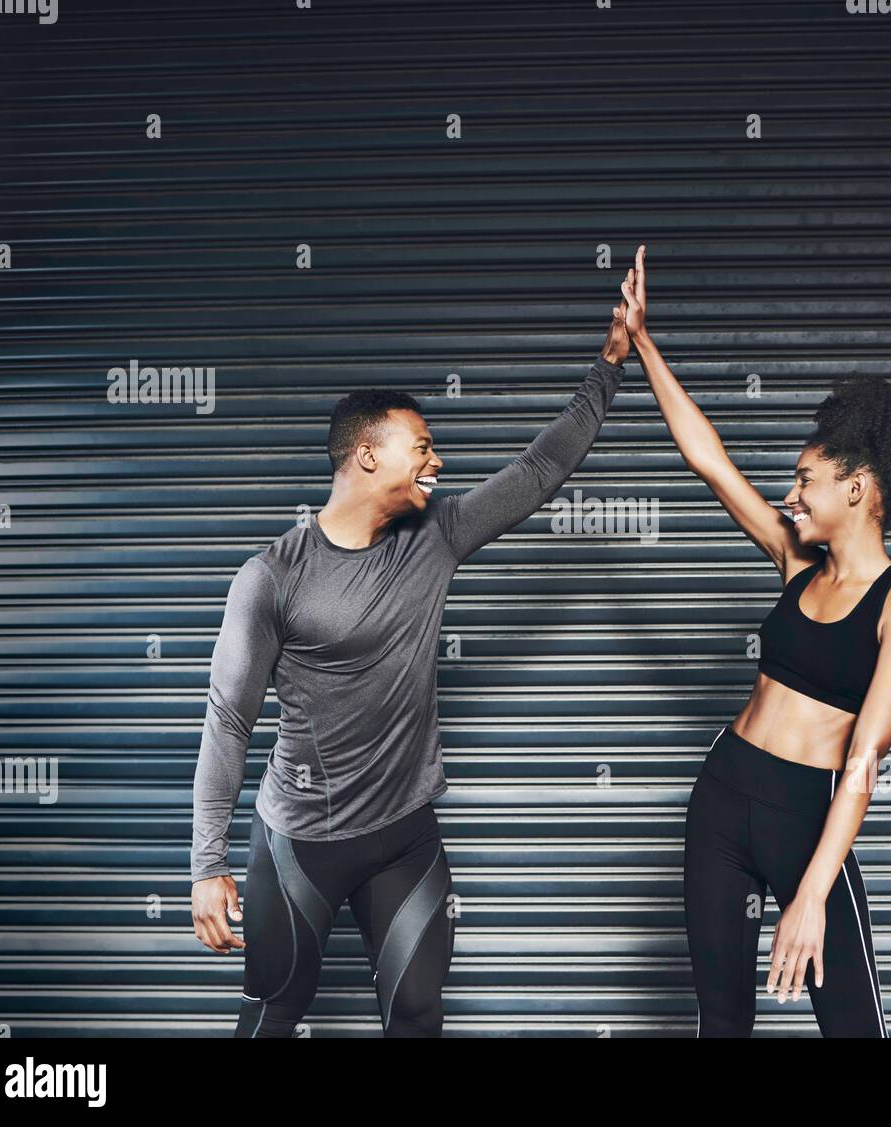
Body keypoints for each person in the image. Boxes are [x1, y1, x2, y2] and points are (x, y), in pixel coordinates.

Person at [189, 299, 632, 1037]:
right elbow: (228, 720)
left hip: (404, 835)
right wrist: (207, 864)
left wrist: (611, 362)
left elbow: (543, 466)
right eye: (421, 446)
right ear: (368, 454)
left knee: (418, 1012)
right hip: (299, 842)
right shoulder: (271, 577)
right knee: (274, 1010)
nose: (438, 460)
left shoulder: (438, 535)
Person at [618, 246, 891, 1036]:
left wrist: (810, 892)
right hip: (725, 794)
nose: (790, 493)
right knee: (722, 1020)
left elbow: (864, 764)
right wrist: (643, 343)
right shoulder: (795, 561)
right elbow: (710, 461)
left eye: (805, 479)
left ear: (858, 489)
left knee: (852, 1026)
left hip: (811, 817)